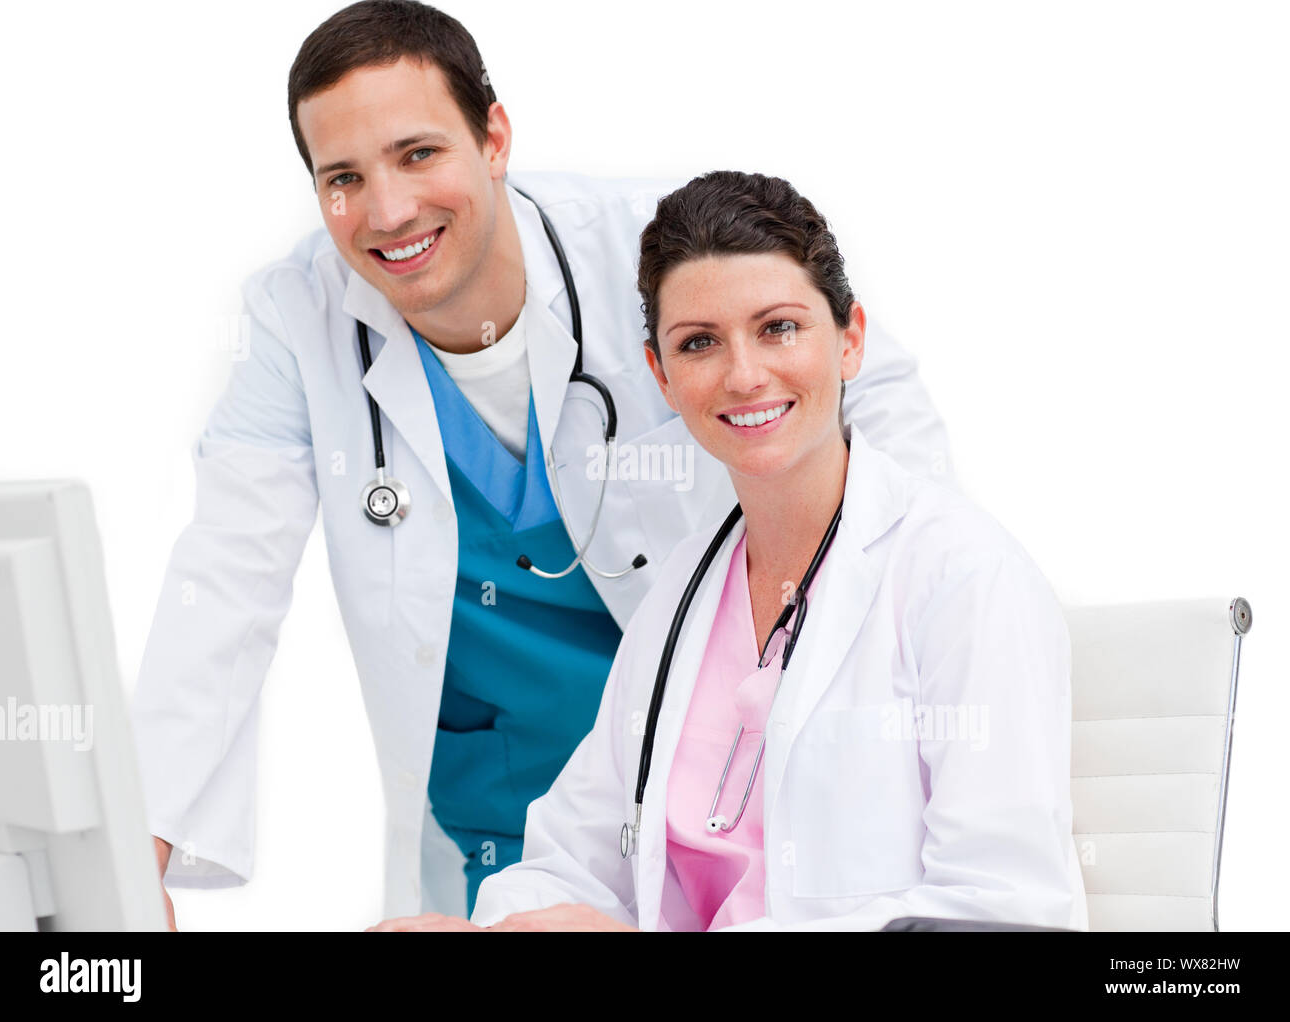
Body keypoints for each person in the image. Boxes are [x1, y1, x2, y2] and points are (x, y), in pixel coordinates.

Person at [131, 1, 954, 926]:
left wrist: (908, 668)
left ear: (495, 136)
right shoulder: (296, 321)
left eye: (418, 153)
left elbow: (874, 414)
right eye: (344, 178)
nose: (389, 210)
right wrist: (131, 858)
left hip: (728, 807)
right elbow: (225, 578)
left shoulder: (660, 254)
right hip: (510, 839)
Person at [368, 172, 1087, 932]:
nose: (744, 375)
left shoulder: (960, 576)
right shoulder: (679, 601)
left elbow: (1001, 914)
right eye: (700, 343)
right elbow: (568, 862)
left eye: (779, 327)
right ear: (662, 378)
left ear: (850, 341)